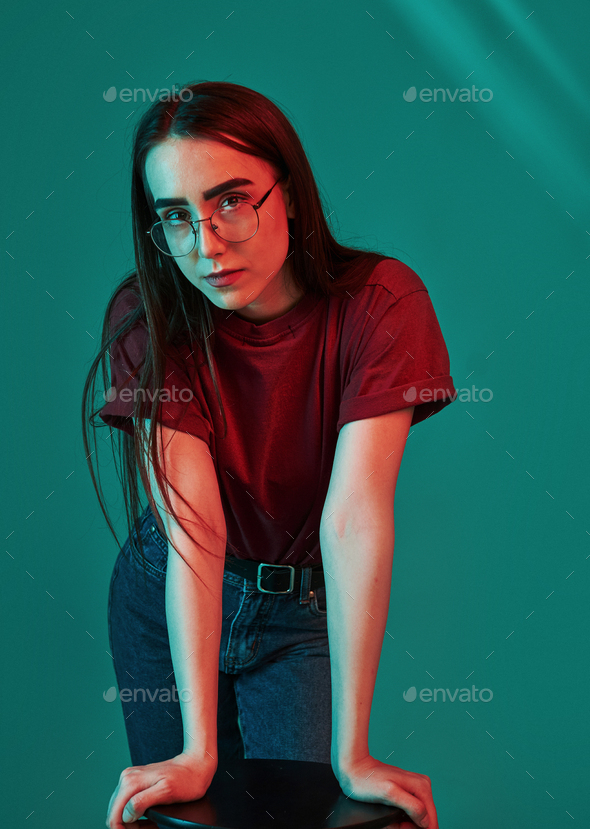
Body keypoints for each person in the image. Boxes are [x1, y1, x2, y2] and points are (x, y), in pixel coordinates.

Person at [82, 80, 456, 829]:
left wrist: (356, 752)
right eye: (177, 218)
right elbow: (194, 529)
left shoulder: (382, 302)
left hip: (299, 607)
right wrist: (195, 751)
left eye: (231, 201)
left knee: (303, 815)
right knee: (181, 811)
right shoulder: (148, 313)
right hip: (169, 593)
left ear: (290, 189)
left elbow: (351, 519)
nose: (206, 245)